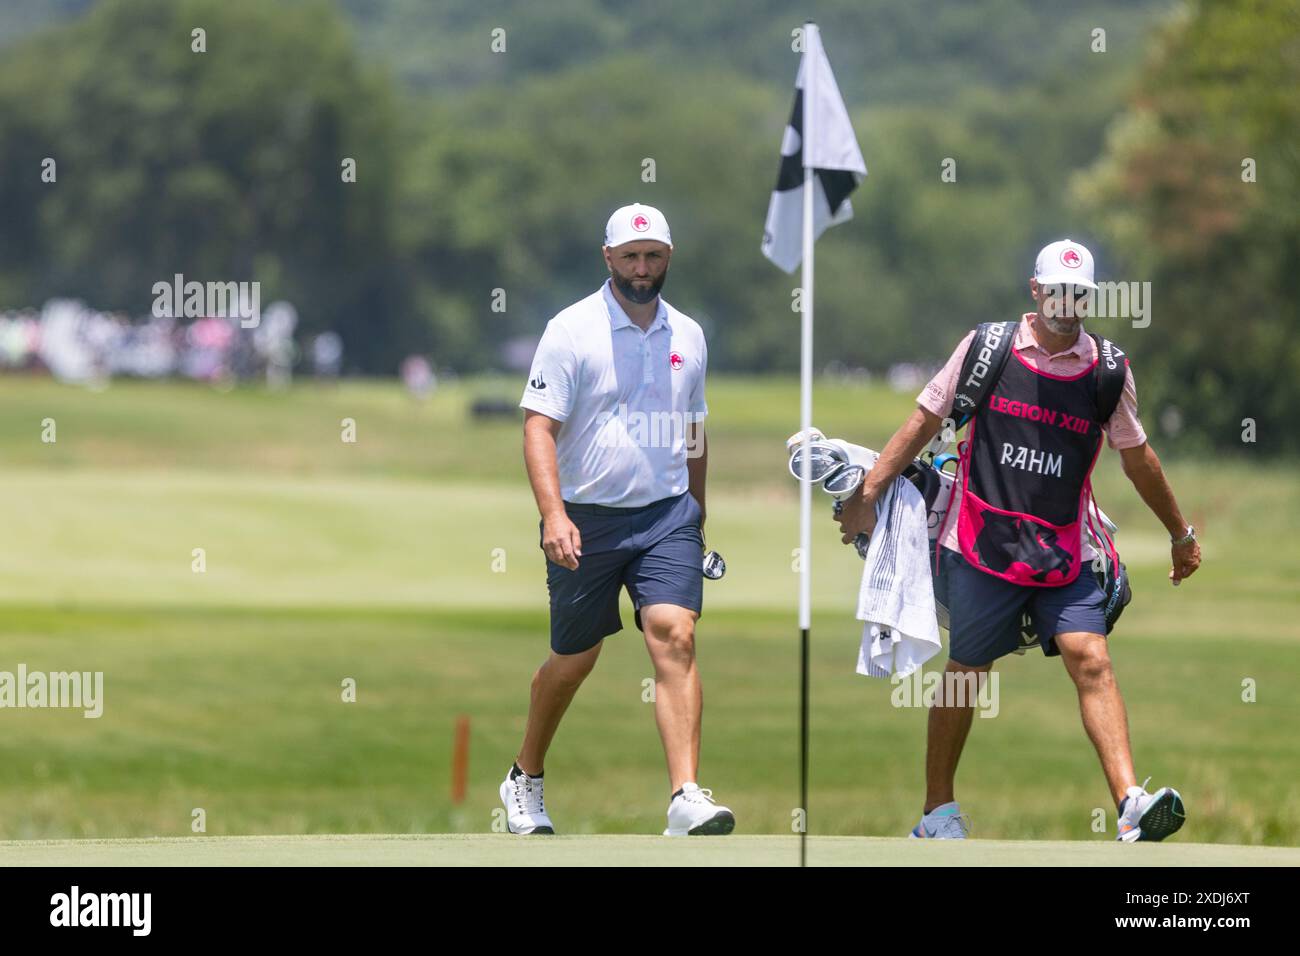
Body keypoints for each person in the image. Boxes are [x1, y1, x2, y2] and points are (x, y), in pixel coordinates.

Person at [835, 239, 1201, 842]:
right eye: (1056, 290)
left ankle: (1131, 803)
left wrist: (1179, 534)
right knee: (966, 672)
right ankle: (936, 814)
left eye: (1078, 292)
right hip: (982, 543)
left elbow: (1137, 458)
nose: (1067, 301)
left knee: (1092, 658)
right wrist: (869, 493)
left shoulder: (1108, 370)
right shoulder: (988, 349)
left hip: (1065, 550)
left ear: (1090, 296)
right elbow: (925, 420)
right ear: (1036, 291)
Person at [502, 203, 734, 837]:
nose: (642, 268)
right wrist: (553, 515)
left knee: (674, 633)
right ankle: (525, 776)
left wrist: (697, 515)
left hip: (666, 515)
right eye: (630, 257)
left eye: (653, 256)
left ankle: (685, 795)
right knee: (574, 660)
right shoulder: (570, 329)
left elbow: (694, 431)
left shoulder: (688, 334)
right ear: (608, 259)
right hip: (586, 518)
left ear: (668, 258)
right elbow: (538, 428)